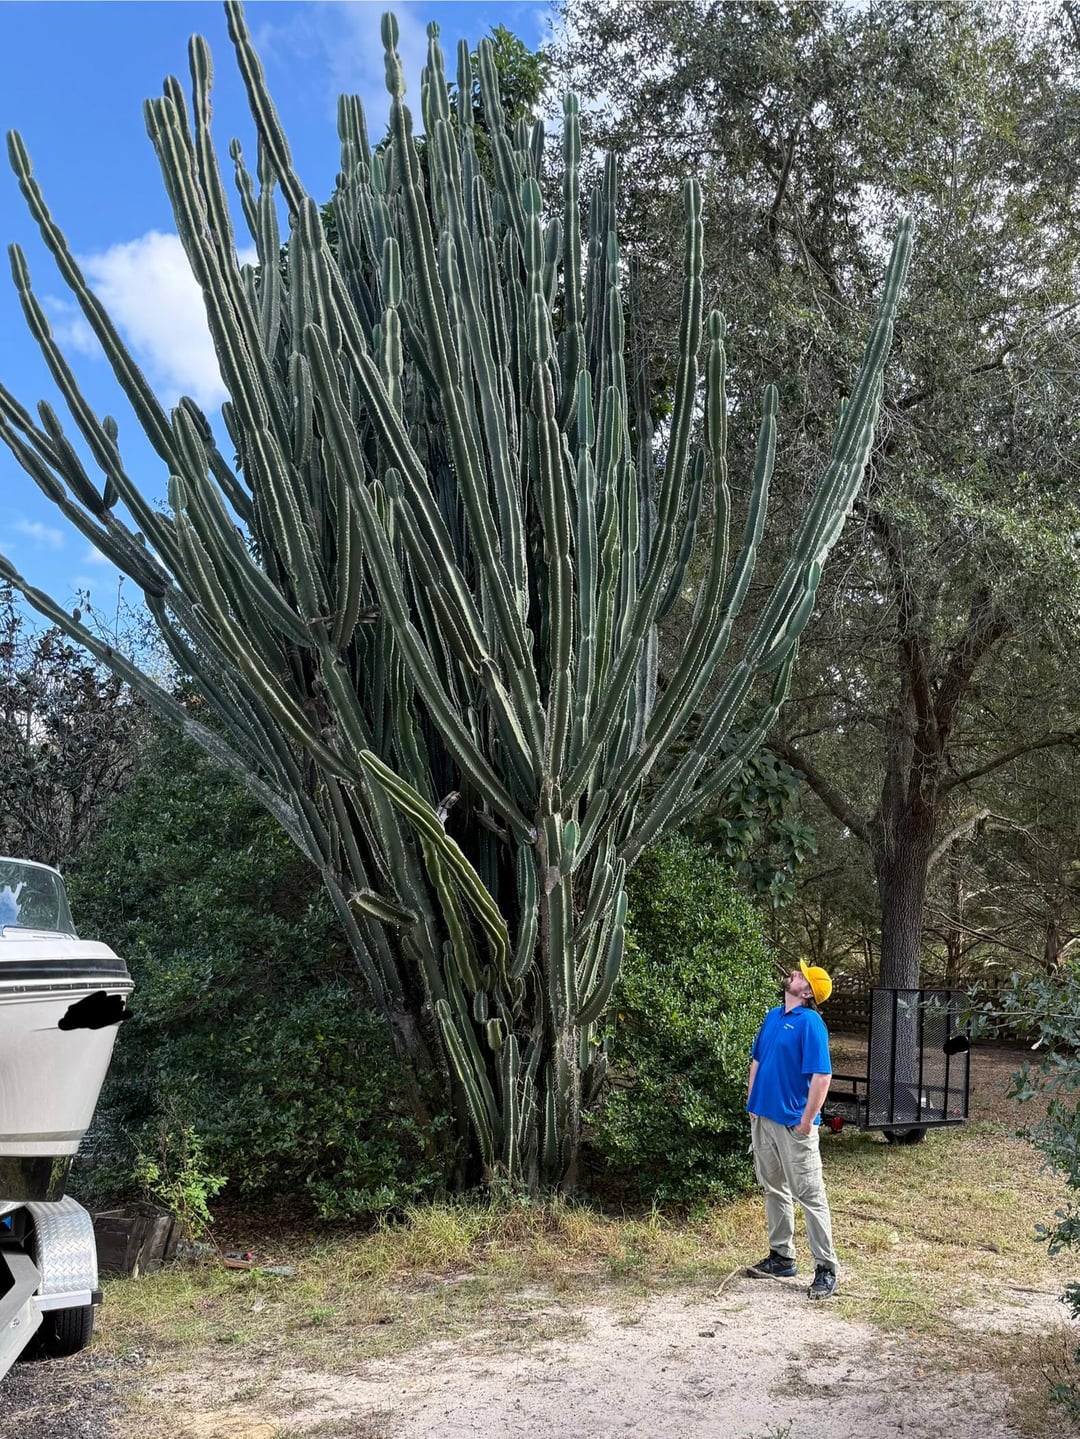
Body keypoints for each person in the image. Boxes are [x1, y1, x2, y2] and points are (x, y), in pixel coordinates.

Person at [745, 960, 839, 1300]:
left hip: (792, 1125)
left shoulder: (811, 1023)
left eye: (801, 975)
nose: (794, 973)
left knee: (811, 1196)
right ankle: (781, 1257)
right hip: (764, 1119)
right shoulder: (773, 1016)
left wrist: (805, 1122)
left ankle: (826, 1269)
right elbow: (757, 1060)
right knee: (774, 1189)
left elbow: (822, 1076)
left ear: (809, 991)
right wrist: (752, 1104)